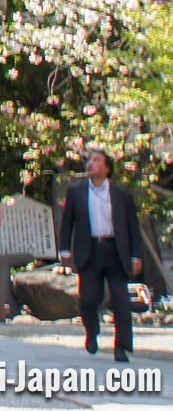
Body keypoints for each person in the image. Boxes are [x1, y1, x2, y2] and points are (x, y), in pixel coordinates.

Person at [56, 148, 145, 362]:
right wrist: (65, 250)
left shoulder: (121, 195)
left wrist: (136, 256)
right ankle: (92, 331)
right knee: (88, 299)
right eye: (89, 160)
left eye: (96, 160)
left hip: (116, 250)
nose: (91, 164)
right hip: (90, 250)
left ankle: (121, 347)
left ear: (107, 167)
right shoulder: (76, 192)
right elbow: (67, 222)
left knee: (121, 301)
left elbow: (133, 228)